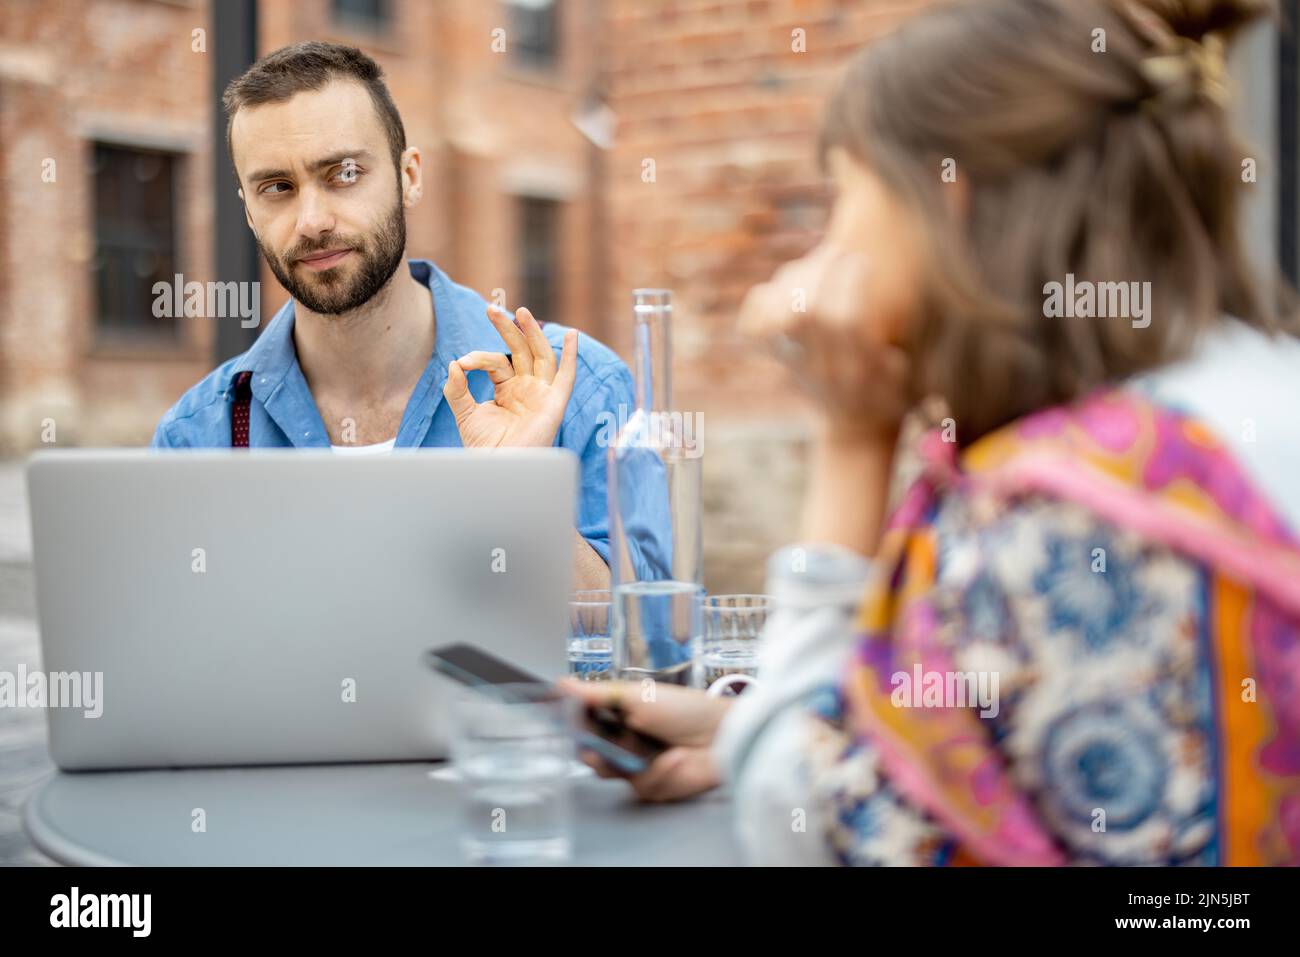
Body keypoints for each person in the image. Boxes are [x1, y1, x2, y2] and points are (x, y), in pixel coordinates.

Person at [566, 0, 1300, 866]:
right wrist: (735, 721)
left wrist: (853, 439)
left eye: (846, 196)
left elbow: (806, 828)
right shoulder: (1247, 391)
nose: (829, 245)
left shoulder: (1057, 506)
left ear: (944, 202)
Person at [152, 41, 635, 591]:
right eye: (277, 188)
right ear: (247, 207)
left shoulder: (581, 390)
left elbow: (650, 649)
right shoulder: (199, 435)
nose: (311, 221)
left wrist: (521, 494)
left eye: (344, 173)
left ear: (409, 177)